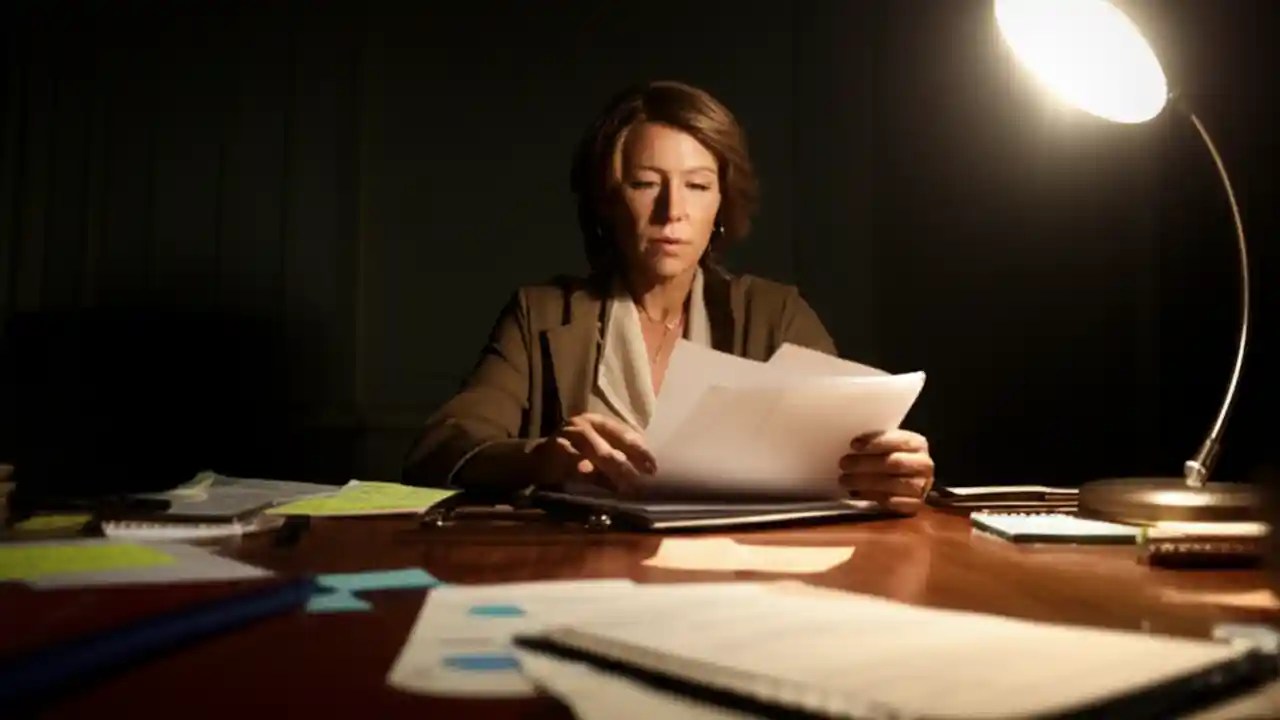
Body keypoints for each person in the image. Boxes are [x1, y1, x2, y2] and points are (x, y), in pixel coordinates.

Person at [403, 80, 935, 515]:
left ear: (721, 204)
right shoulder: (541, 313)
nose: (671, 211)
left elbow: (858, 449)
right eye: (645, 184)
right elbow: (443, 447)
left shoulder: (774, 314)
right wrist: (537, 459)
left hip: (736, 577)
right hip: (578, 572)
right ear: (608, 202)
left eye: (697, 186)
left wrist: (896, 473)